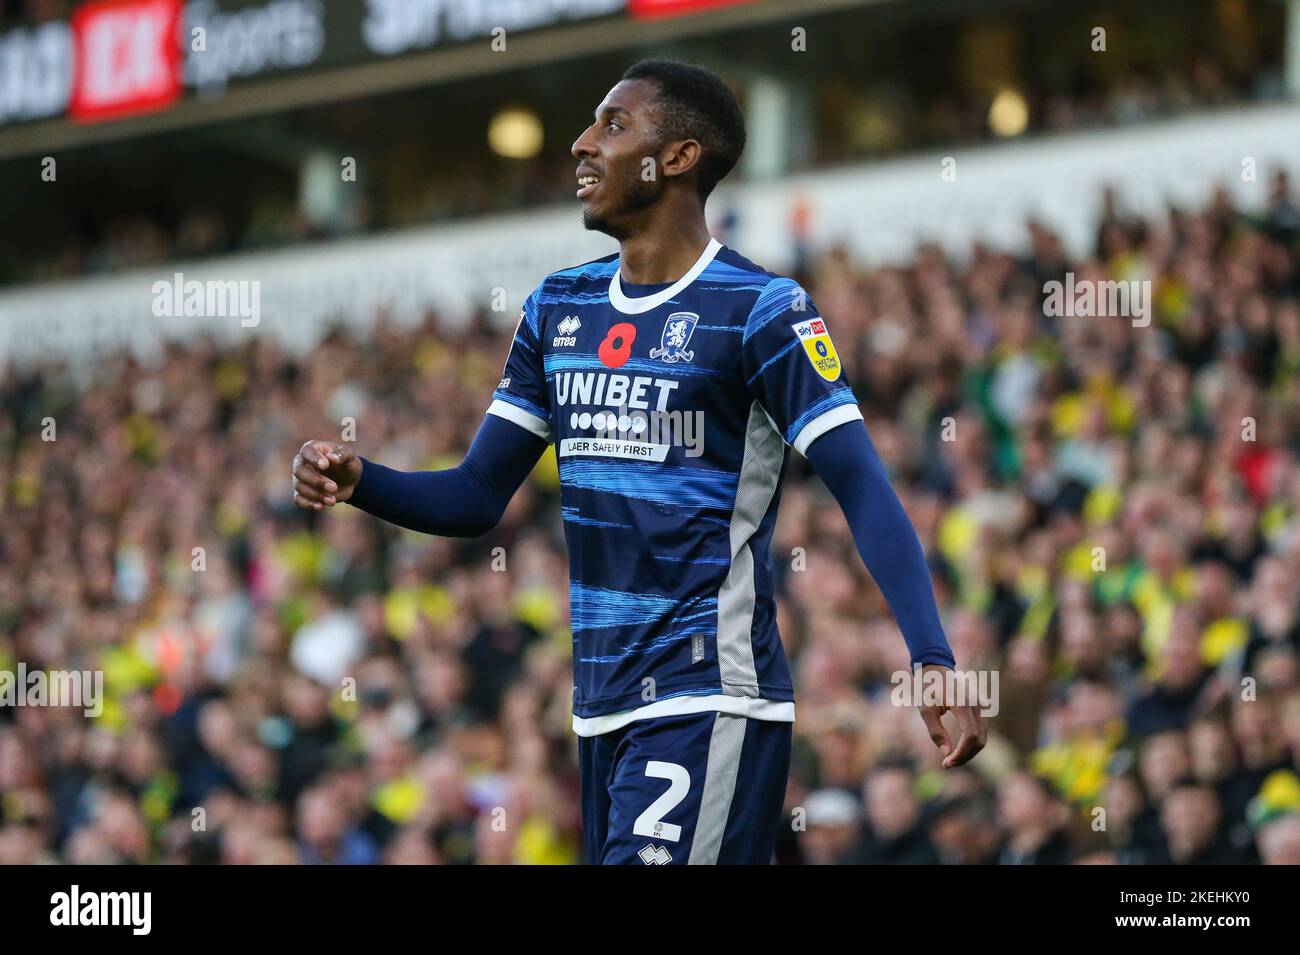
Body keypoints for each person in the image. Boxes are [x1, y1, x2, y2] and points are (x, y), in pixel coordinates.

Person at [291, 59, 984, 865]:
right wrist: (361, 480)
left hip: (711, 696)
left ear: (681, 157)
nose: (584, 144)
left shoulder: (760, 311)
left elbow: (863, 485)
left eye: (614, 125)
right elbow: (477, 496)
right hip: (600, 712)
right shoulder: (560, 307)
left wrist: (932, 658)